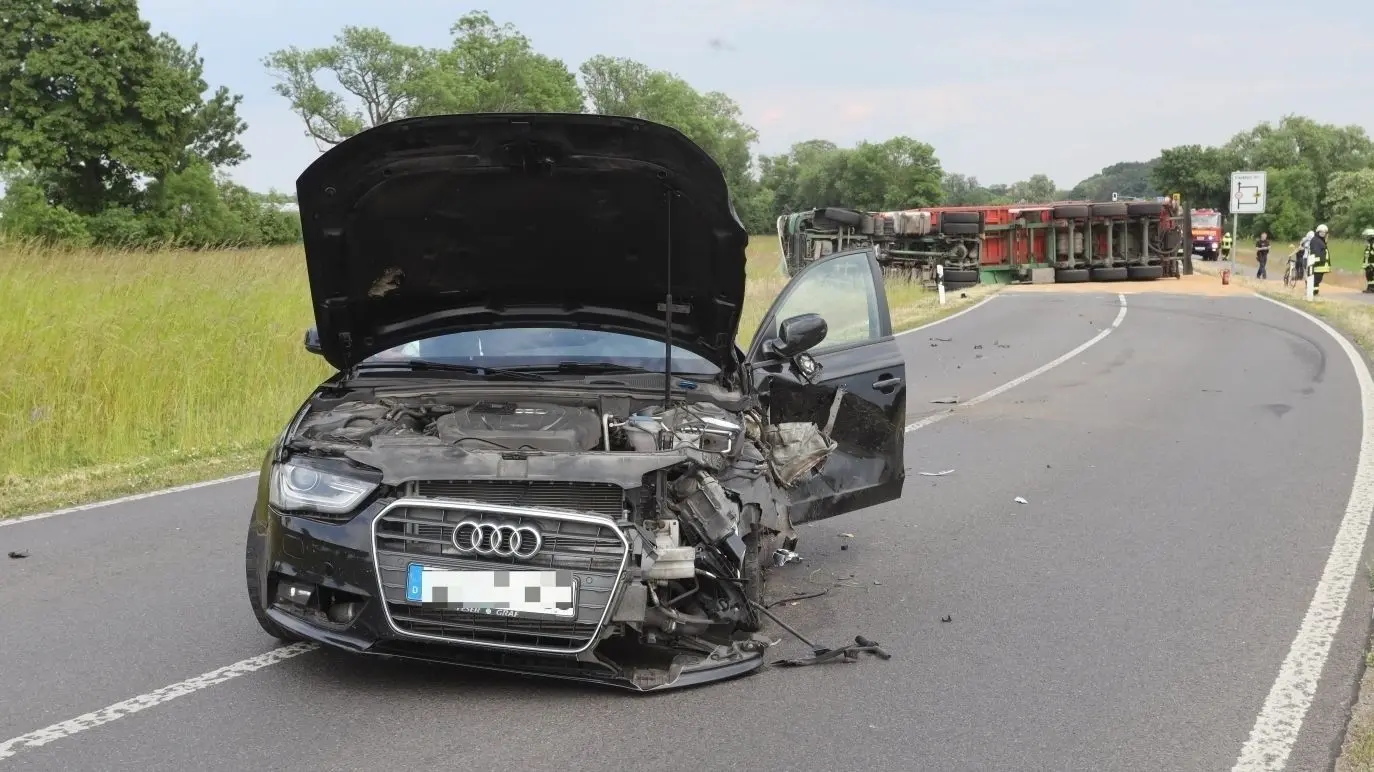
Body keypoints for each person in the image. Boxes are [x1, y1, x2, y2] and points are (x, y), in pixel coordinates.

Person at [1309, 224, 1331, 298]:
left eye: (1325, 232)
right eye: (1322, 232)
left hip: (1321, 266)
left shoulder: (1320, 240)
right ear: (1318, 232)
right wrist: (1317, 262)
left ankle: (1315, 292)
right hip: (1318, 266)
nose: (1323, 234)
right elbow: (1316, 253)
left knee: (1317, 280)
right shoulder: (1316, 240)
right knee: (1316, 280)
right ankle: (1313, 293)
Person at [1363, 227, 1374, 293]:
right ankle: (1370, 288)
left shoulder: (1373, 243)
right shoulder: (1369, 244)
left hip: (1372, 264)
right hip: (1368, 264)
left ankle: (1372, 288)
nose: (1366, 238)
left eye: (1367, 236)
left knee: (1371, 276)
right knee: (1369, 276)